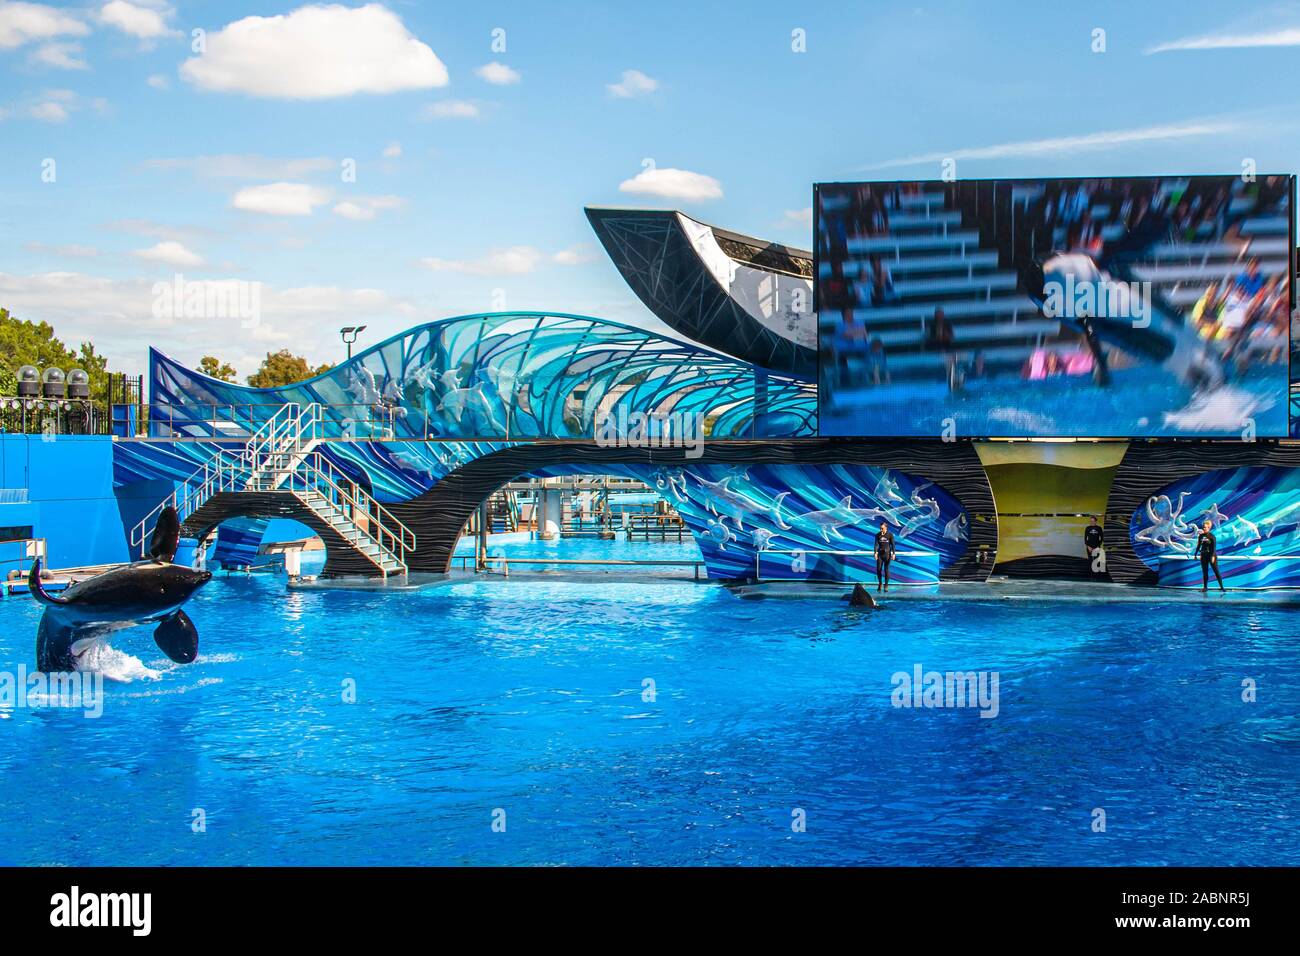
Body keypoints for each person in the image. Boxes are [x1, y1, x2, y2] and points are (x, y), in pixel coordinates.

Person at [1194, 518, 1225, 593]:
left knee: (1216, 571)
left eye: (1205, 527)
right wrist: (1195, 554)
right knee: (1205, 572)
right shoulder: (1201, 536)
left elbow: (1214, 548)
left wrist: (1213, 556)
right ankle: (1205, 587)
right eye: (1203, 527)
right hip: (1203, 555)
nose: (1204, 528)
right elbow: (1198, 545)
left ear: (1209, 528)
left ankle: (1222, 587)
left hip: (1211, 555)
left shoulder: (1212, 536)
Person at [874, 521, 896, 592]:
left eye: (882, 528)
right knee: (879, 569)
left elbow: (893, 545)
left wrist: (893, 553)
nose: (881, 530)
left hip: (887, 555)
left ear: (886, 528)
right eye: (880, 528)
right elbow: (876, 544)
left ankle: (886, 585)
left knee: (886, 570)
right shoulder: (877, 535)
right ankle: (880, 583)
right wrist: (875, 553)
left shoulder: (890, 535)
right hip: (880, 554)